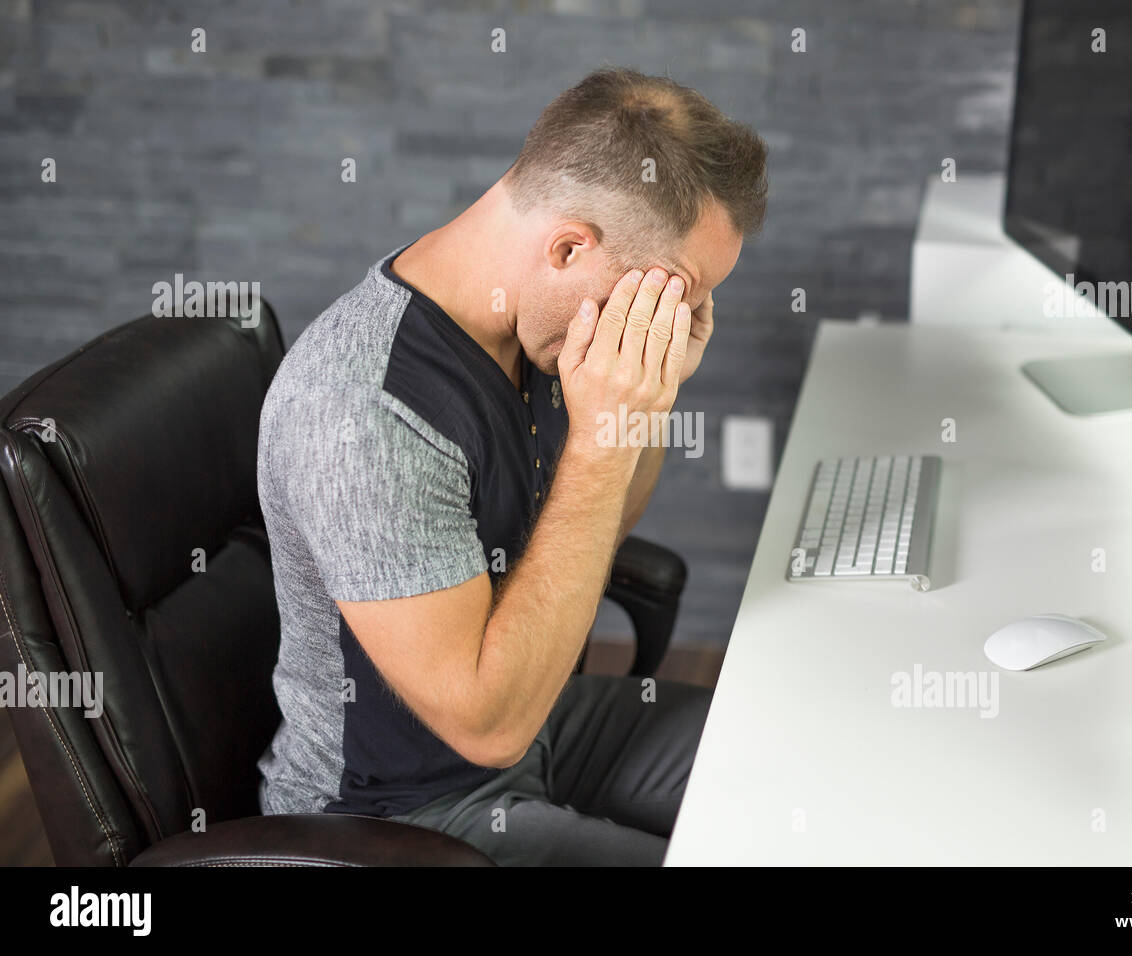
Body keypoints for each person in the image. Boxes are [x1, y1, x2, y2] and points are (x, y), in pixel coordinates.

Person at [254, 67, 768, 865]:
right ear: (569, 247)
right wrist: (602, 437)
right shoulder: (362, 411)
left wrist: (642, 402)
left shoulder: (542, 316)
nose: (677, 324)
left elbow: (604, 522)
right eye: (677, 296)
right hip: (400, 811)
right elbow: (487, 726)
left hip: (544, 714)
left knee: (795, 775)